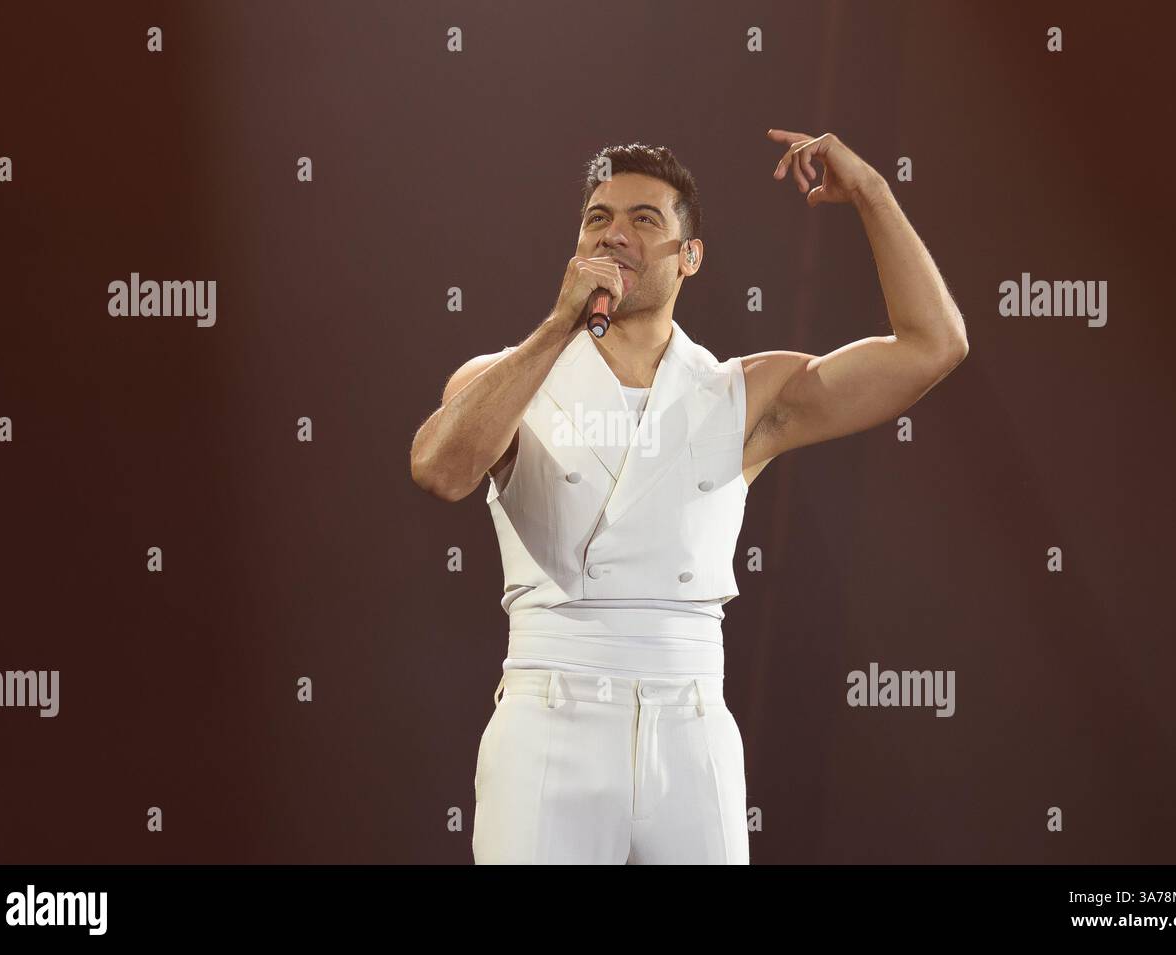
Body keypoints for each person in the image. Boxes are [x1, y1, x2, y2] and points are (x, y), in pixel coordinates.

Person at [410, 132, 969, 864]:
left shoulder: (740, 393)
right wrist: (557, 325)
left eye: (645, 219)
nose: (615, 231)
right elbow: (440, 469)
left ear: (690, 256)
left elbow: (934, 345)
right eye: (597, 217)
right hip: (548, 724)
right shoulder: (508, 376)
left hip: (692, 727)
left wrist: (871, 191)